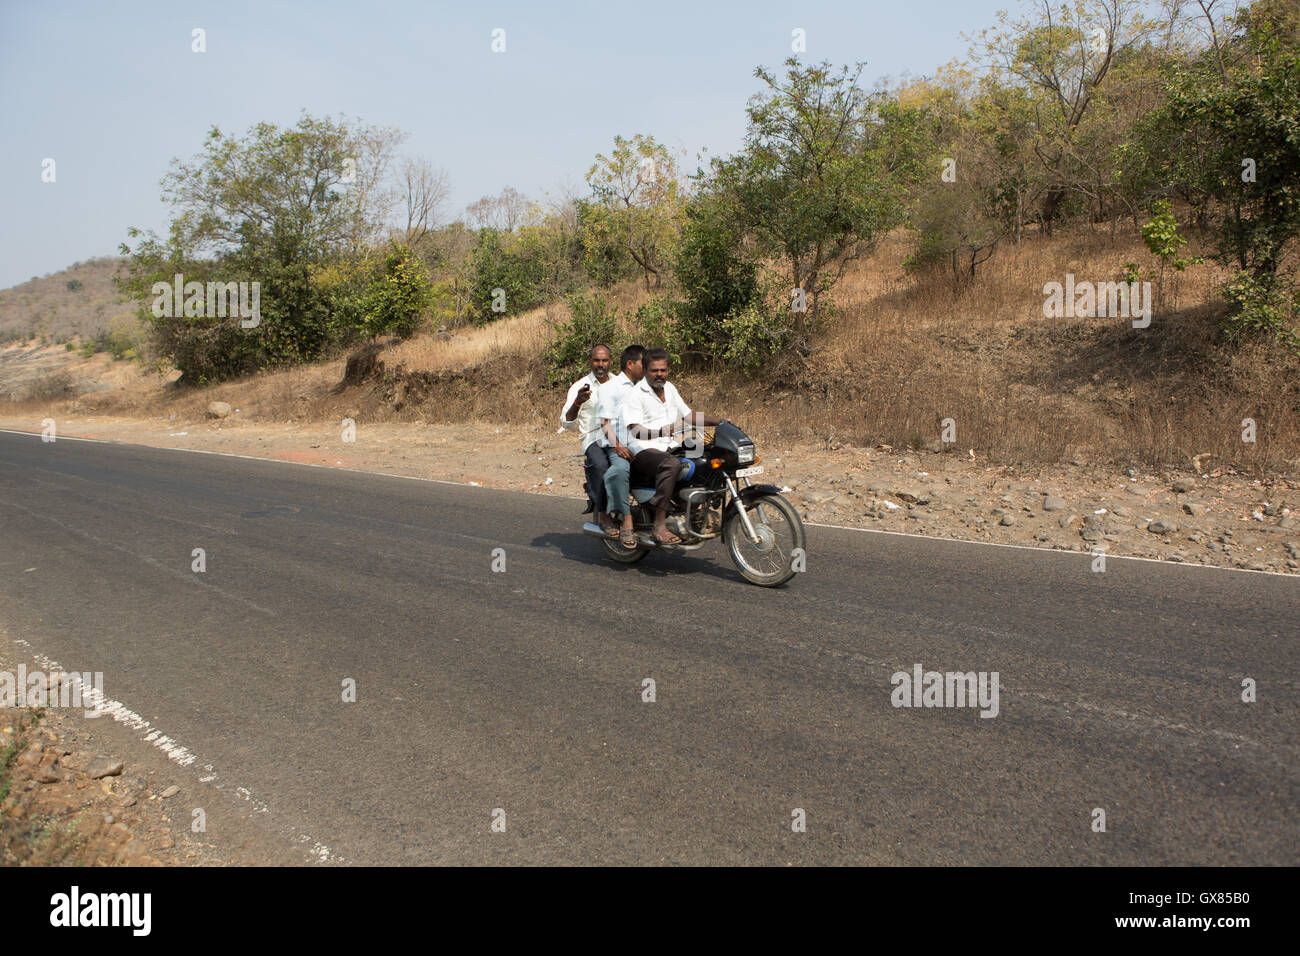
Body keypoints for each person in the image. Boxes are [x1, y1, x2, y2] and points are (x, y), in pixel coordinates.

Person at [623, 349, 727, 545]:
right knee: (671, 465)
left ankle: (689, 509)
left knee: (704, 457)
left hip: (669, 446)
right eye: (654, 370)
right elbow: (635, 430)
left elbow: (689, 416)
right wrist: (661, 431)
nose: (659, 374)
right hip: (643, 449)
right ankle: (659, 525)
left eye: (663, 370)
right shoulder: (636, 394)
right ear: (645, 370)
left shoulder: (670, 388)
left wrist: (720, 421)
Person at [560, 345, 618, 536]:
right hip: (594, 438)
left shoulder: (620, 383)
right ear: (590, 361)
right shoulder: (580, 386)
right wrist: (578, 402)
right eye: (596, 360)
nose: (600, 364)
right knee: (600, 464)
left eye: (604, 360)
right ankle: (603, 515)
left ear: (610, 361)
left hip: (620, 436)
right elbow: (566, 423)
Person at [597, 345, 645, 549]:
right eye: (644, 363)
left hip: (644, 442)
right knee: (620, 469)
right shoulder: (610, 387)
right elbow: (605, 422)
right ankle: (627, 521)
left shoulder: (645, 387)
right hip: (619, 444)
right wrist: (618, 446)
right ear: (630, 364)